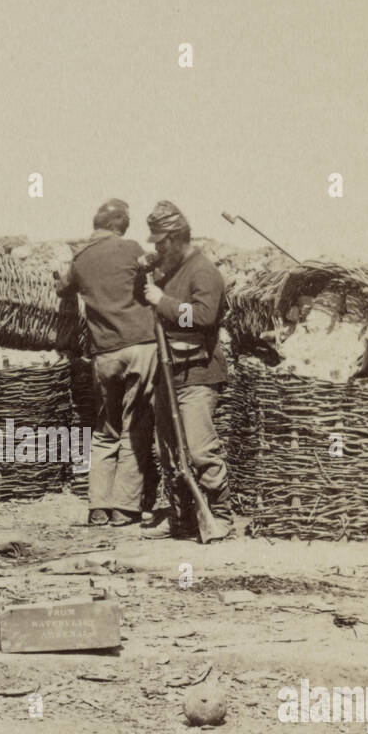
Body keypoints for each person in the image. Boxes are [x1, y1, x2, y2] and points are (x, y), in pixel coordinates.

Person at [57, 198, 156, 526]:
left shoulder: (81, 257)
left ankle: (98, 506)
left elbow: (63, 288)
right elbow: (151, 277)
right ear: (122, 226)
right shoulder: (130, 249)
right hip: (140, 345)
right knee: (136, 426)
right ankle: (125, 508)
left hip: (104, 353)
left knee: (104, 429)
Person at [139, 201, 232, 540]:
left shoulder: (203, 271)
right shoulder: (169, 269)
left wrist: (161, 301)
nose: (157, 248)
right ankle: (182, 518)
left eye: (161, 242)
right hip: (169, 373)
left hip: (197, 373)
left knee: (199, 449)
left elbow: (204, 317)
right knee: (169, 450)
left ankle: (219, 516)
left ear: (178, 238)